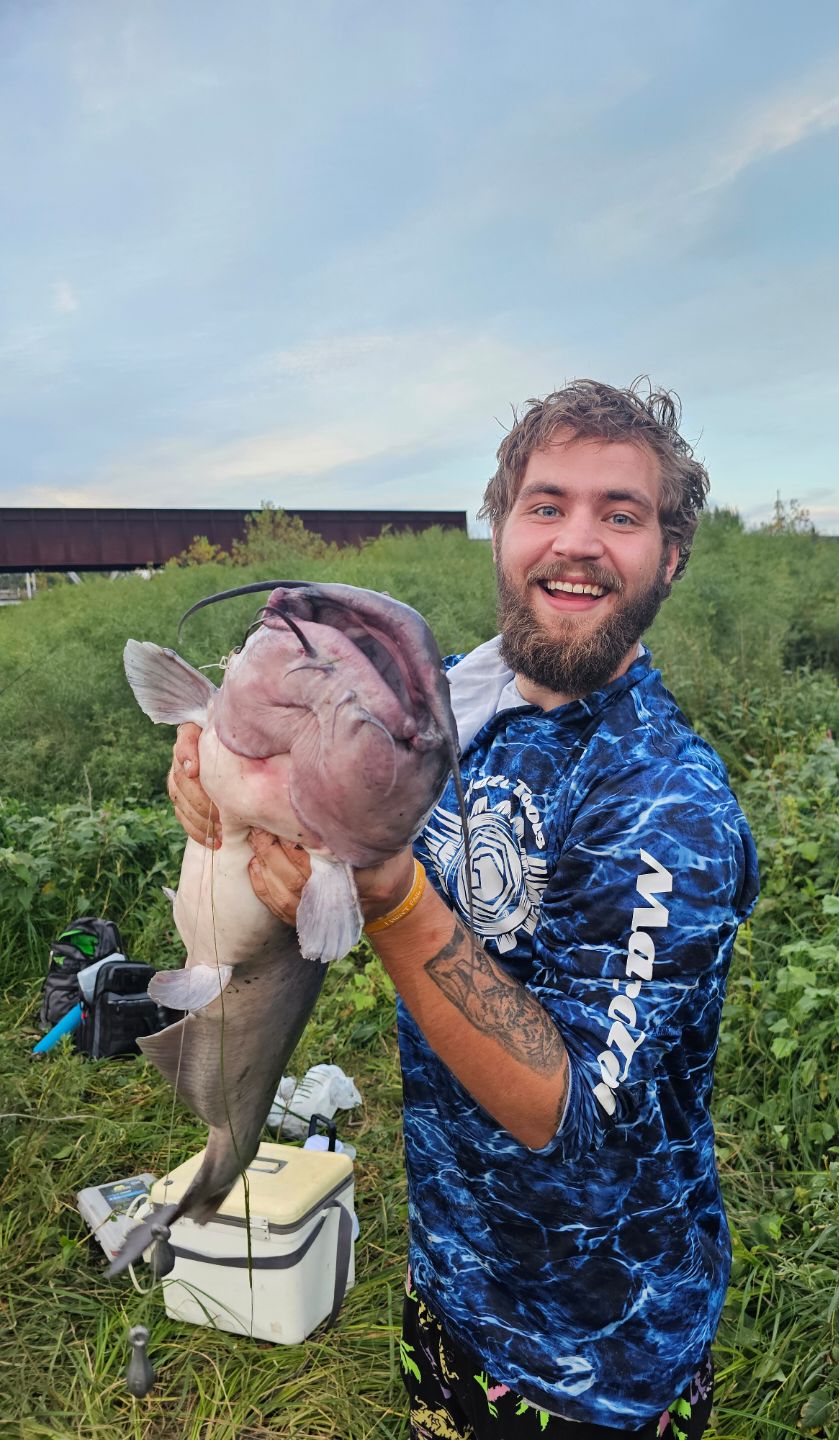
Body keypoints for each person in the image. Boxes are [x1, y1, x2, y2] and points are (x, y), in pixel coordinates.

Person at [169, 379, 758, 1439]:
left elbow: (569, 1114)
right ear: (501, 527)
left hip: (598, 1360)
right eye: (547, 504)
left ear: (670, 556)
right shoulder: (451, 707)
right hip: (448, 1286)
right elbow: (303, 780)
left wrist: (392, 897)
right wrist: (219, 766)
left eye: (621, 515)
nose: (576, 541)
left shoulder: (669, 807)